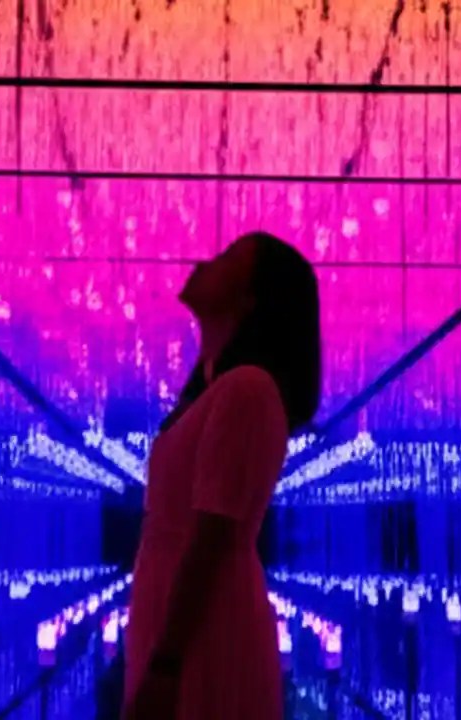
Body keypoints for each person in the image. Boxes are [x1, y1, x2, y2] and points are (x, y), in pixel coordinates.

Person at [123, 231, 322, 720]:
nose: (204, 259)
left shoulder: (248, 389)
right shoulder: (218, 389)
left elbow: (212, 535)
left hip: (203, 622)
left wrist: (167, 663)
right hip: (179, 610)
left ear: (251, 299)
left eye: (229, 255)